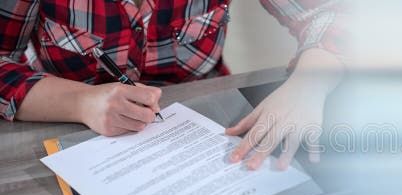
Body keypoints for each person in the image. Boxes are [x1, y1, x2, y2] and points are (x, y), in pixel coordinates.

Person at [0, 0, 346, 171]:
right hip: (66, 130)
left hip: (212, 127)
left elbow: (334, 12)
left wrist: (309, 84)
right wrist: (81, 102)